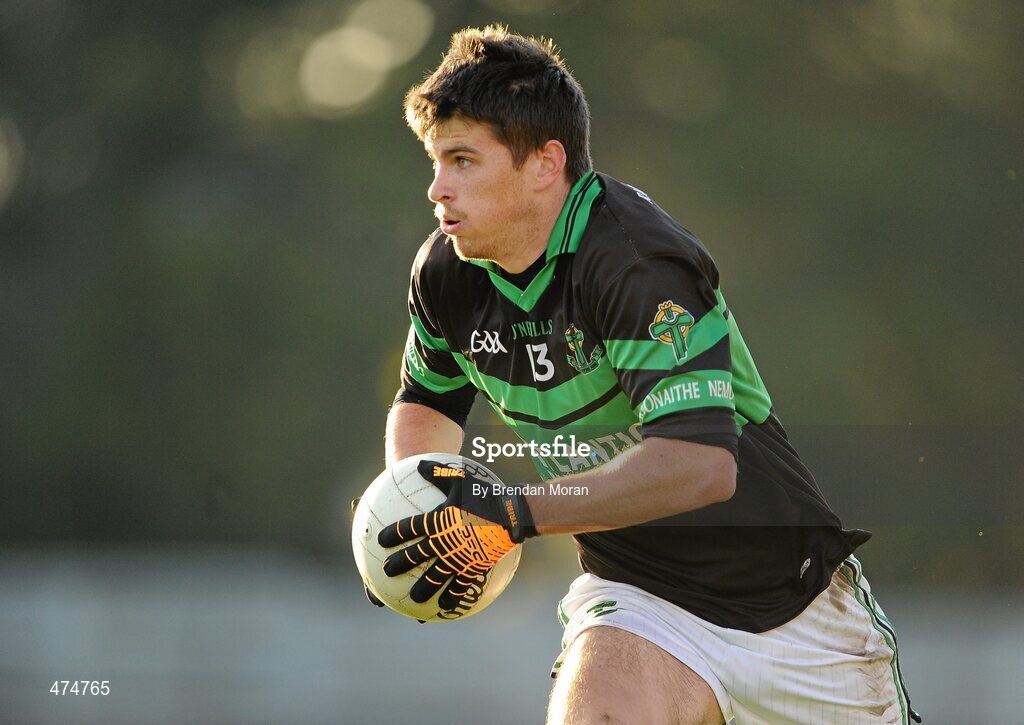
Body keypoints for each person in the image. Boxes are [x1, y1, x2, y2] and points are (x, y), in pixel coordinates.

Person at [369, 25, 921, 725]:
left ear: (545, 164)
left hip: (795, 608)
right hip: (638, 595)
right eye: (435, 160)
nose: (436, 187)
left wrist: (513, 515)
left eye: (462, 160)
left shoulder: (633, 261)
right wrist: (414, 509)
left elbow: (700, 467)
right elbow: (424, 400)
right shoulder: (447, 272)